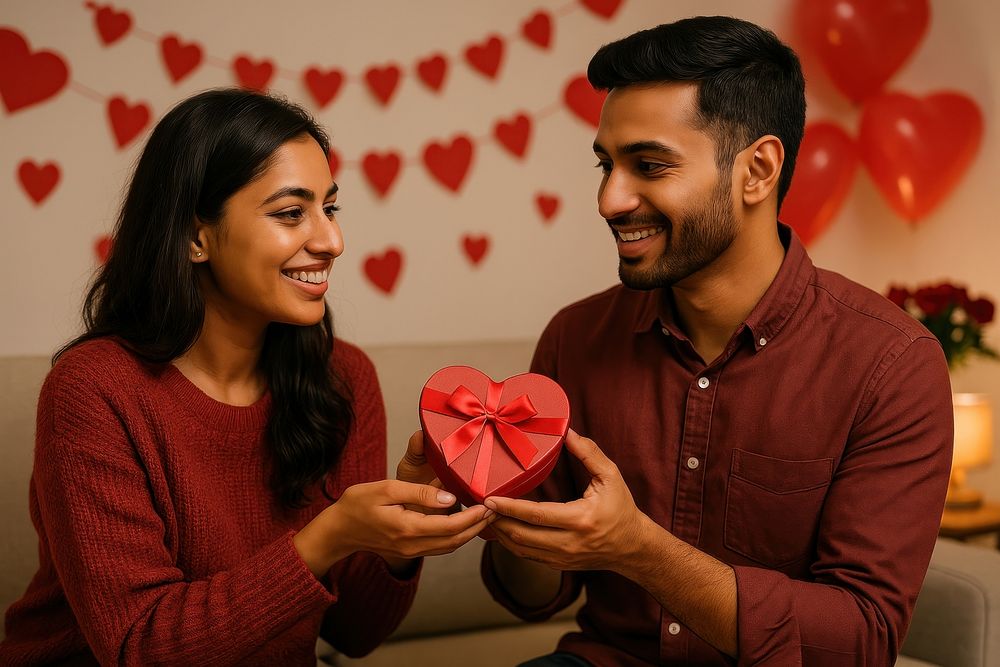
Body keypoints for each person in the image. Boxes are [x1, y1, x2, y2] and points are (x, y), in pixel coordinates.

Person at [476, 16, 953, 666]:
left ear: (757, 170)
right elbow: (536, 594)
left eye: (648, 165)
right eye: (606, 165)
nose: (609, 198)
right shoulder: (575, 337)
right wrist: (502, 512)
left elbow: (860, 638)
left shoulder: (891, 365)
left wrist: (636, 546)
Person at [0, 88, 492, 666]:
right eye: (290, 213)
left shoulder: (343, 377)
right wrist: (327, 537)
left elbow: (357, 633)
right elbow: (140, 648)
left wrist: (395, 542)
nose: (332, 241)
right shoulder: (93, 391)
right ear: (194, 236)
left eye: (329, 208)